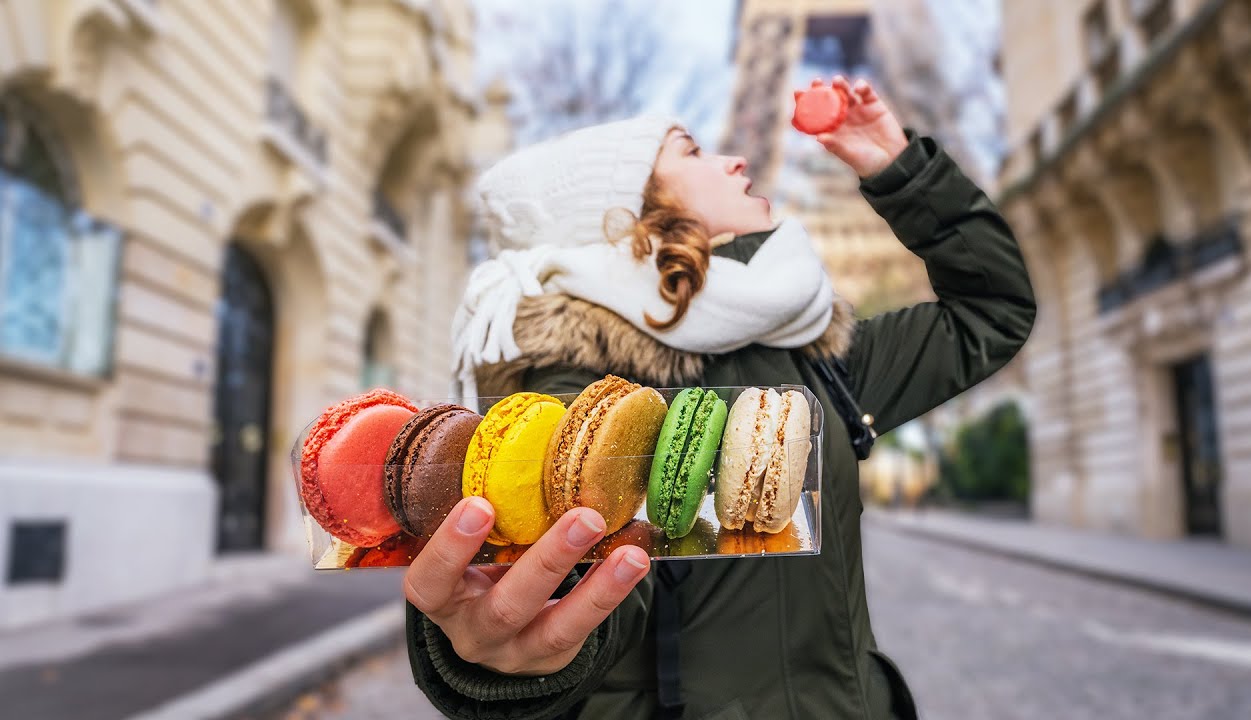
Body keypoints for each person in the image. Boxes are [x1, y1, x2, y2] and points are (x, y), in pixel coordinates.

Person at [401, 76, 1036, 719]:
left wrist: (896, 166)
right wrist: (513, 648)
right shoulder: (579, 391)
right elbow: (586, 589)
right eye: (692, 151)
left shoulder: (817, 357)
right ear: (630, 213)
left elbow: (992, 311)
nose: (733, 159)